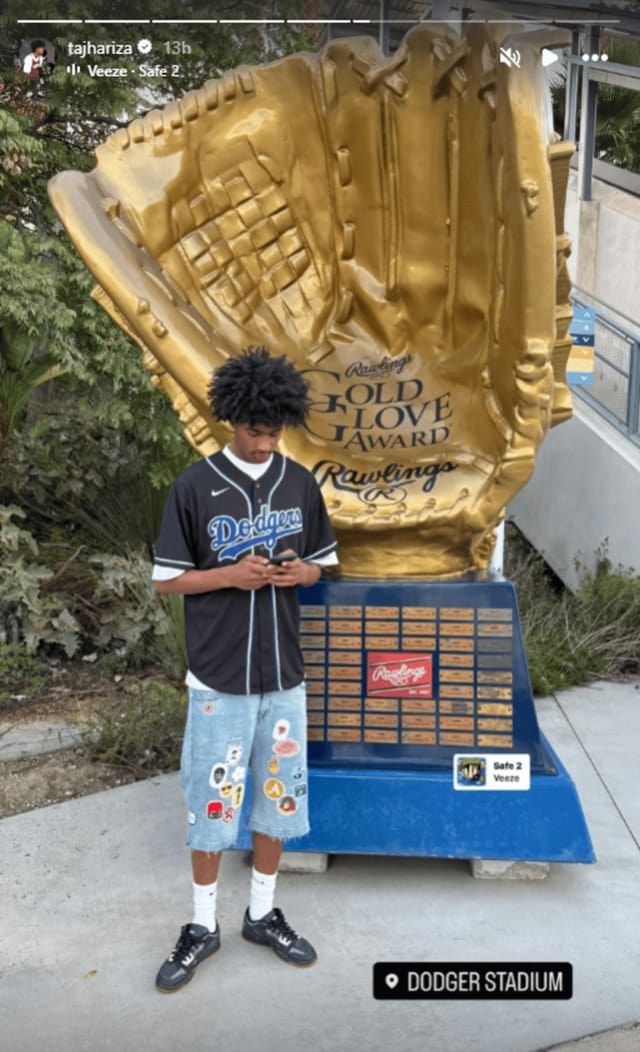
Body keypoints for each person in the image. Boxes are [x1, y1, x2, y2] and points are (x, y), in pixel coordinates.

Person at [152, 345, 338, 993]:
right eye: (256, 430)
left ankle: (262, 913)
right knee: (213, 800)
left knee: (278, 798)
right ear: (232, 419)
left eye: (274, 430)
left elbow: (324, 566)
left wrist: (298, 572)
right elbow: (167, 582)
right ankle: (202, 925)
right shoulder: (193, 486)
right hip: (218, 676)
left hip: (284, 674)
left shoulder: (298, 482)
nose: (265, 442)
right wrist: (231, 575)